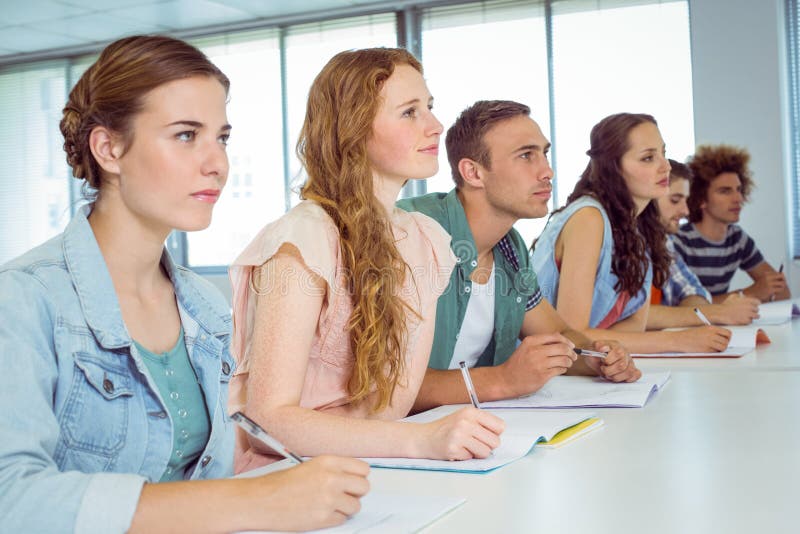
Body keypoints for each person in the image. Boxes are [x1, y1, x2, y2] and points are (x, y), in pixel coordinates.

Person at [0, 36, 371, 534]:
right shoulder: (23, 300)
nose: (216, 163)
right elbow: (12, 499)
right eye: (184, 135)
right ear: (109, 148)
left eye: (221, 137)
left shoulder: (201, 305)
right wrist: (252, 500)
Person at [229, 48, 504, 473]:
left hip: (379, 469)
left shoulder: (428, 242)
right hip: (287, 478)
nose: (435, 125)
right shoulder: (301, 238)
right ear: (354, 130)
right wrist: (419, 438)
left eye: (429, 107)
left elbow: (394, 403)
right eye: (409, 112)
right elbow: (267, 419)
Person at [397, 100, 640, 411]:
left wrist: (598, 357)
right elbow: (387, 386)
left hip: (466, 433)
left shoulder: (510, 247)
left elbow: (560, 334)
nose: (547, 171)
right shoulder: (411, 233)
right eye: (526, 155)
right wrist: (503, 380)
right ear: (473, 172)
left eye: (544, 153)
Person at [532, 113, 732, 354]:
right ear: (613, 169)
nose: (665, 166)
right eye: (648, 158)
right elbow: (572, 335)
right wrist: (679, 341)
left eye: (663, 153)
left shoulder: (639, 227)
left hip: (584, 370)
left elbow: (633, 327)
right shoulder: (588, 218)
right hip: (545, 373)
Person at [646, 159, 761, 329]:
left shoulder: (663, 241)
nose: (686, 211)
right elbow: (632, 318)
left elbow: (692, 292)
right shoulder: (620, 243)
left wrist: (707, 310)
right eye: (675, 200)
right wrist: (719, 311)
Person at [673, 144, 789, 302]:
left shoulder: (737, 239)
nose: (738, 199)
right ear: (700, 199)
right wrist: (750, 293)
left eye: (739, 190)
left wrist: (771, 287)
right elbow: (684, 306)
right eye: (725, 191)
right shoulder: (680, 241)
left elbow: (783, 292)